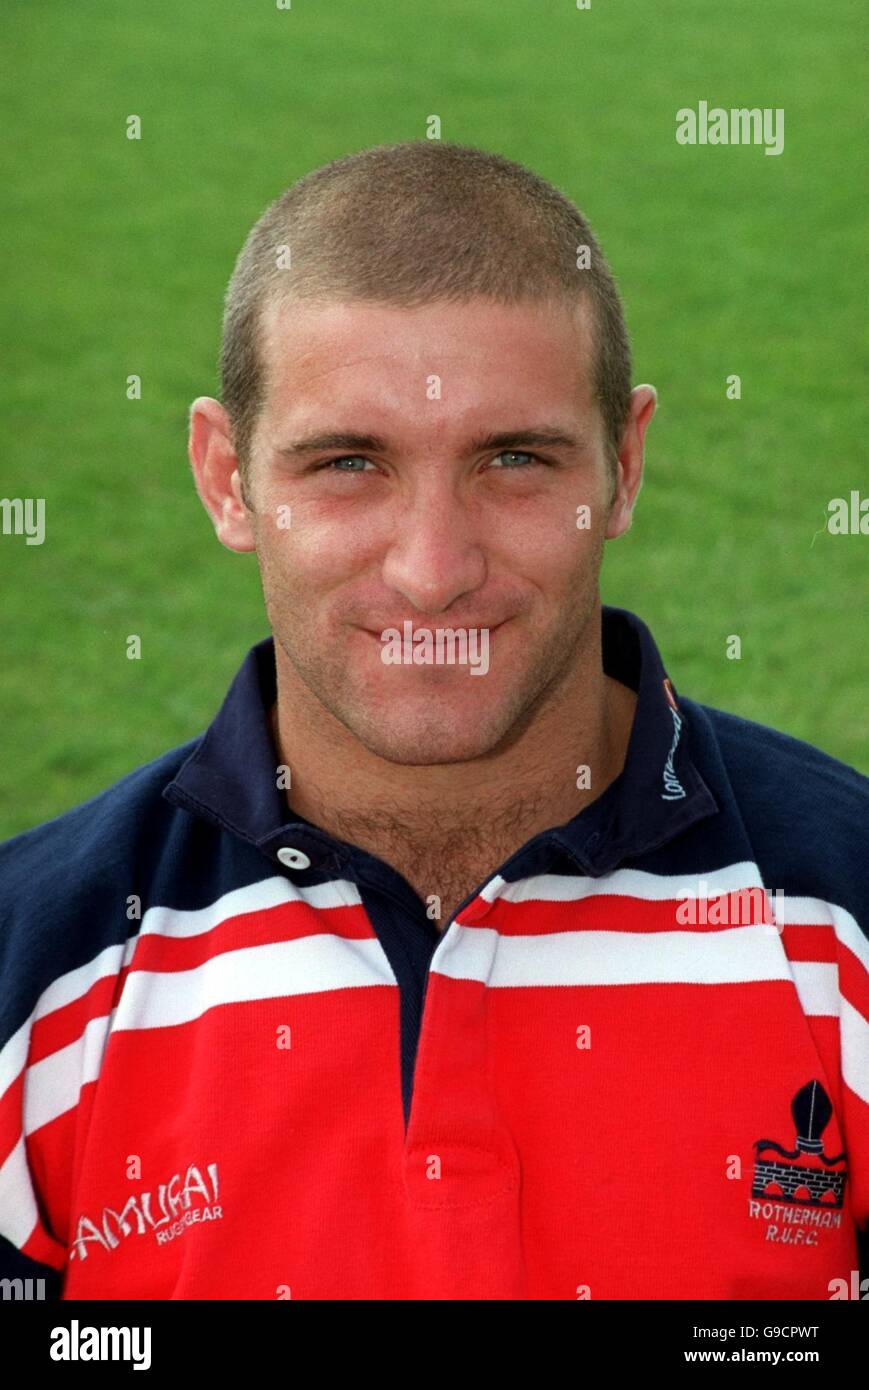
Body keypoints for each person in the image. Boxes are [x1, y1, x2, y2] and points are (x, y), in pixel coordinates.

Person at [0, 141, 866, 1301]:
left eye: (513, 459)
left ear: (621, 462)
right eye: (348, 463)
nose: (432, 571)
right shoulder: (34, 972)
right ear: (225, 477)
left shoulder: (842, 917)